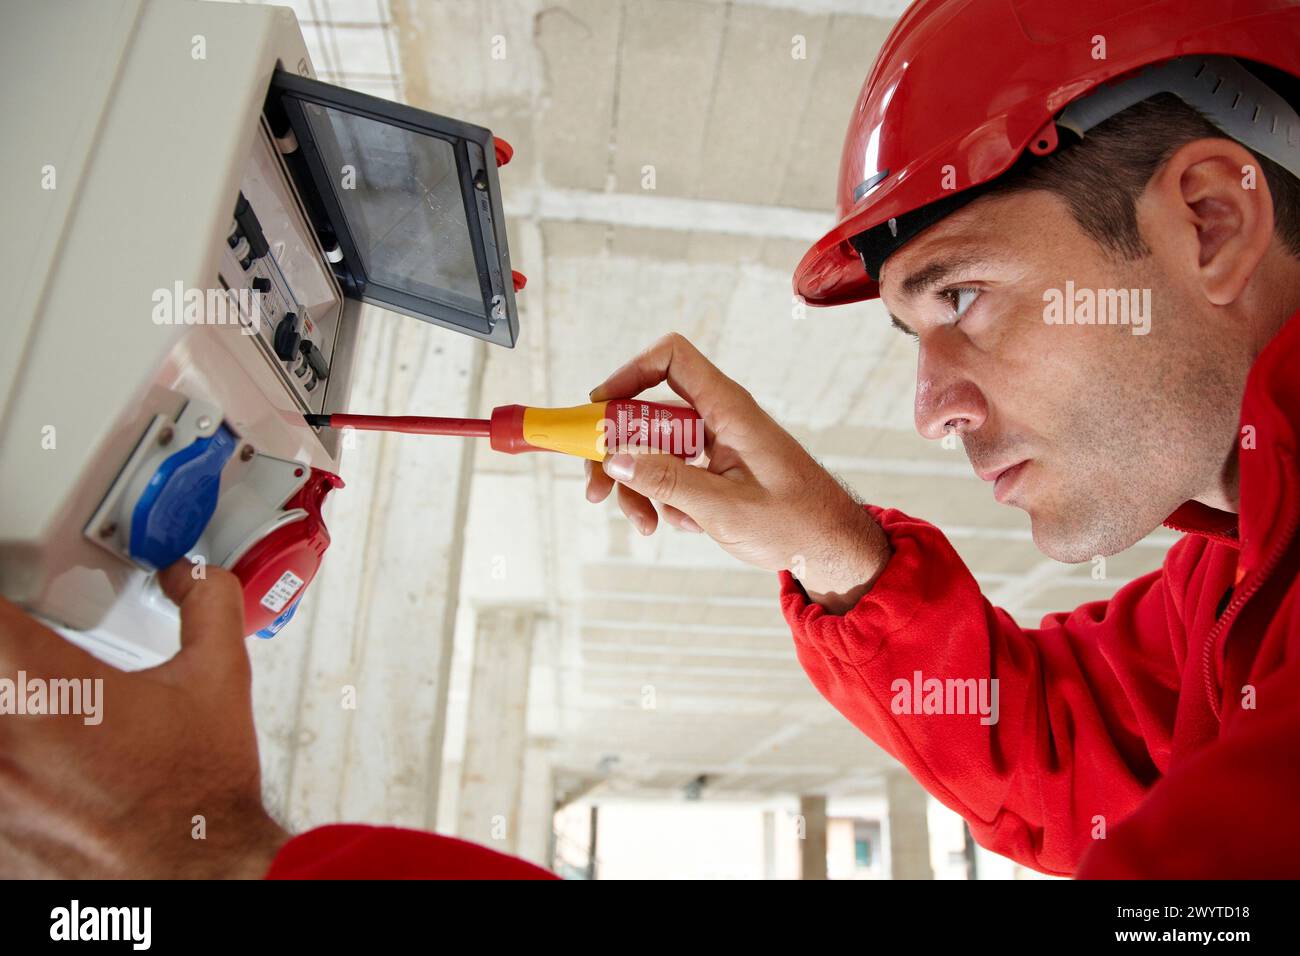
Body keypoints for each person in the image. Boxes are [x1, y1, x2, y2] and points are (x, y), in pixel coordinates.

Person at [2, 0, 1298, 879]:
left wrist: (211, 851)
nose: (931, 406)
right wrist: (845, 555)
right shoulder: (1240, 585)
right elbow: (1075, 746)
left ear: (1210, 222)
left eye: (960, 296)